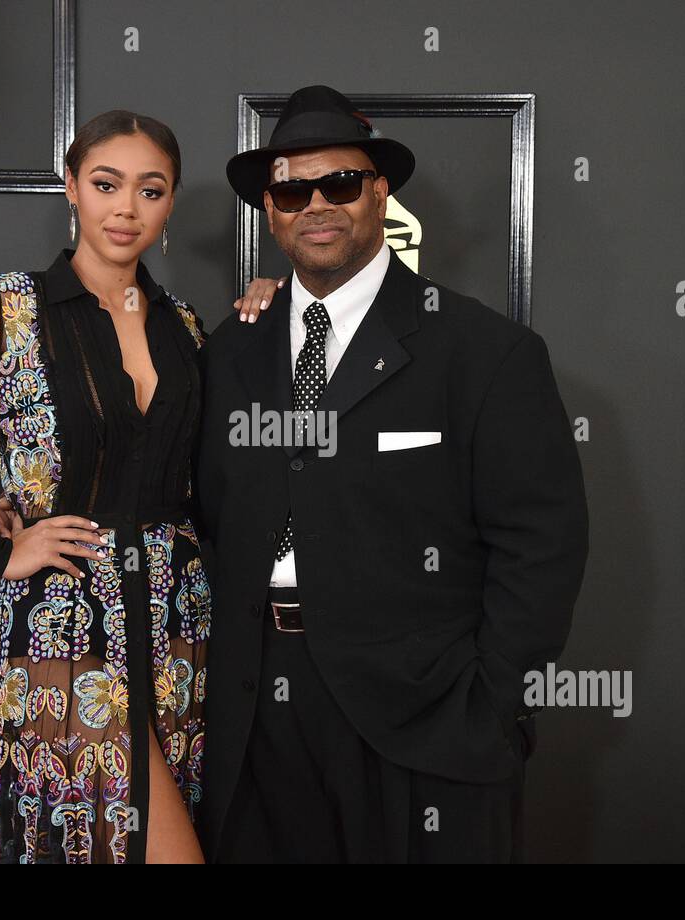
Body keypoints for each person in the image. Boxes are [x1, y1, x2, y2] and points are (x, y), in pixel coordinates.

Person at [0, 109, 282, 864]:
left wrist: (276, 309)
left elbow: (224, 467)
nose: (126, 208)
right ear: (71, 186)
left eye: (151, 189)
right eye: (107, 184)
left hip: (182, 622)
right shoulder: (9, 309)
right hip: (68, 622)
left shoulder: (186, 325)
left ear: (170, 204)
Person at [194, 85, 591, 863]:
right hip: (254, 714)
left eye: (340, 183)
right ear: (269, 211)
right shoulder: (229, 351)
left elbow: (542, 545)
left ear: (380, 191)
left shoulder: (484, 351)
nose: (316, 205)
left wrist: (488, 702)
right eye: (290, 189)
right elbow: (201, 510)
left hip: (421, 715)